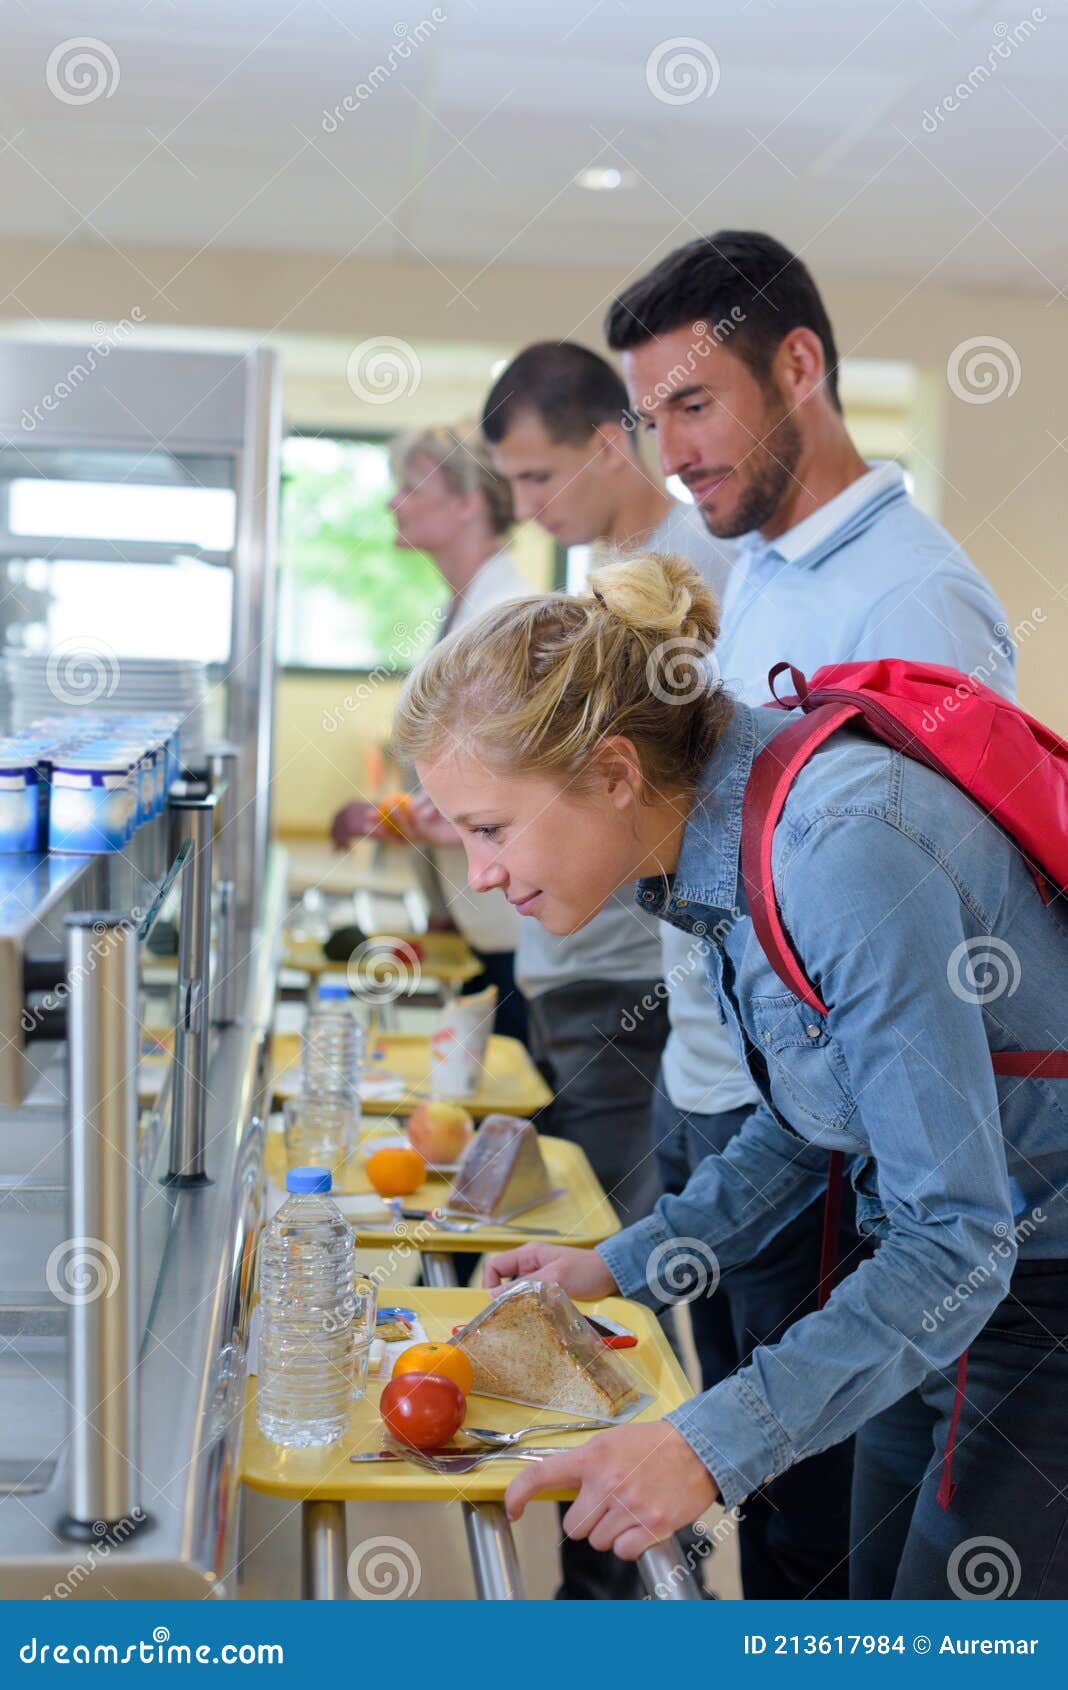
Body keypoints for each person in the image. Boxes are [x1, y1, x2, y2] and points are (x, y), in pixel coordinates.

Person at [391, 551, 1068, 1599]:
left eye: (489, 828)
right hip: (959, 1264)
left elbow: (959, 1237)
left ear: (614, 772)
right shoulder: (726, 837)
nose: (478, 871)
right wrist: (625, 1260)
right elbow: (816, 1117)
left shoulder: (837, 848)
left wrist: (704, 1444)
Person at [597, 230, 1017, 1598]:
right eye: (650, 415)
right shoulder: (761, 567)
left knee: (817, 1519)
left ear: (801, 368)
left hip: (867, 1136)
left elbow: (926, 937)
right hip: (751, 1089)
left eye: (696, 403)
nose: (671, 448)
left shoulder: (916, 596)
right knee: (772, 1481)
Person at [480, 341, 733, 1223]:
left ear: (607, 442)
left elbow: (702, 773)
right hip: (596, 961)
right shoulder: (608, 575)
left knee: (616, 1259)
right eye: (510, 482)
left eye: (537, 475)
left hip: (642, 975)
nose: (523, 506)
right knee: (595, 1236)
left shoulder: (698, 561)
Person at [331, 422, 527, 1045]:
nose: (394, 501)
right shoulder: (463, 608)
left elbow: (518, 788)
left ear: (469, 502)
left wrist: (418, 818)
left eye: (410, 486)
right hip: (476, 918)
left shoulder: (507, 617)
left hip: (518, 926)